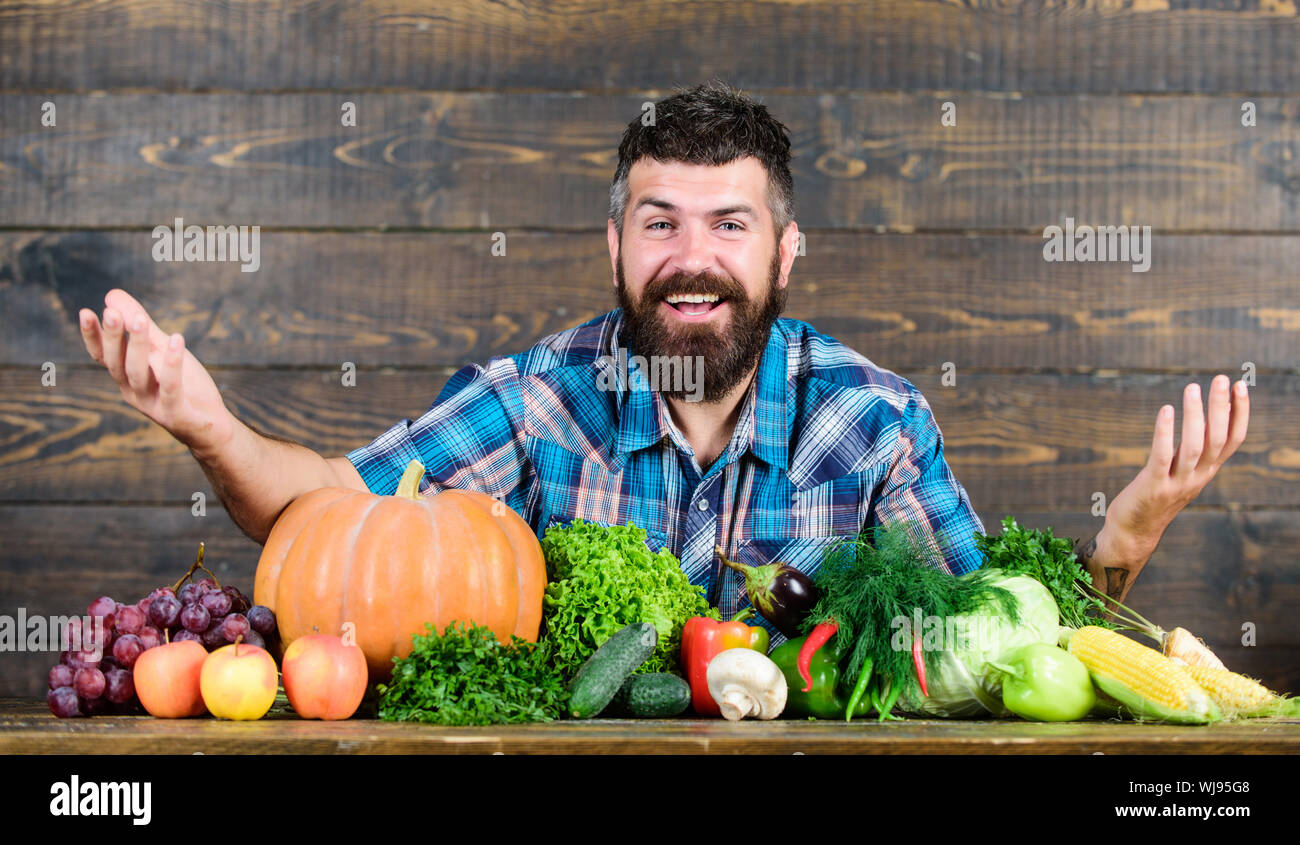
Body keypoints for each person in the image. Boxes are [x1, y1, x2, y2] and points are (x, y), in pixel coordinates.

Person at [77, 80, 1249, 640]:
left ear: (786, 253)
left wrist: (1125, 537)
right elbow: (334, 508)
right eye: (660, 222)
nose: (693, 260)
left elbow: (1000, 639)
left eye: (728, 225)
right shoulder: (539, 399)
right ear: (614, 242)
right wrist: (210, 427)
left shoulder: (872, 422)